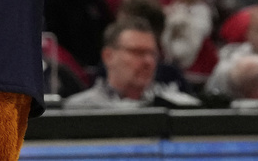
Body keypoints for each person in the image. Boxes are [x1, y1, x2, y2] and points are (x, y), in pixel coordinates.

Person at [63, 17, 199, 109]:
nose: (149, 61)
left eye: (152, 54)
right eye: (137, 52)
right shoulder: (78, 109)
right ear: (108, 56)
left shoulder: (174, 108)